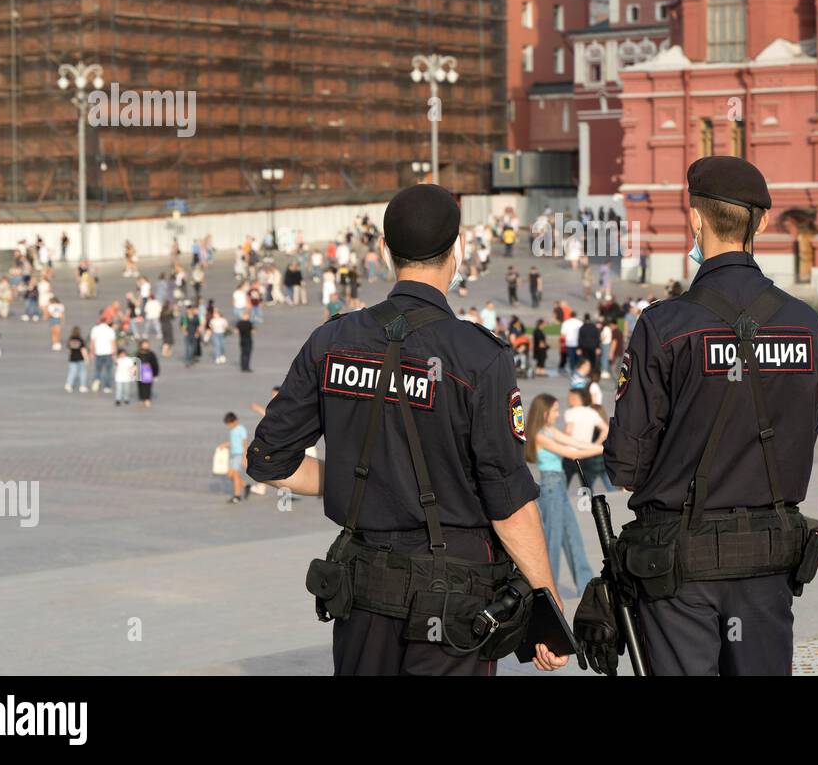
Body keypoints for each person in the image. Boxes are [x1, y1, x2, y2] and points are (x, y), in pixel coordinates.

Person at [247, 183, 570, 676]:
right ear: (459, 250)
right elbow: (507, 500)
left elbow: (269, 460)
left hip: (363, 591)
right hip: (454, 601)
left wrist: (351, 483)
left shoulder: (331, 339)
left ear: (383, 251)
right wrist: (546, 603)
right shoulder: (478, 355)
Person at [586, 156, 818, 677]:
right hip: (767, 557)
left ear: (694, 219)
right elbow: (804, 429)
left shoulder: (664, 325)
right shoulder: (807, 325)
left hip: (679, 566)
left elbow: (625, 465)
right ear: (761, 223)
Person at [526, 393, 603, 597]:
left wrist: (600, 446)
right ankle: (547, 589)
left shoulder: (550, 430)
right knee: (553, 539)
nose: (558, 414)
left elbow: (574, 443)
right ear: (544, 413)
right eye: (555, 411)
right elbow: (571, 453)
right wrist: (602, 448)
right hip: (550, 489)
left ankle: (586, 585)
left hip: (559, 487)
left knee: (572, 536)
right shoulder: (540, 435)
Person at [219, 412, 250, 503]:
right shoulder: (232, 430)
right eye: (228, 425)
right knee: (230, 474)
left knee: (235, 474)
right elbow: (233, 442)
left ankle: (237, 496)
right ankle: (245, 485)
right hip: (233, 454)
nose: (229, 426)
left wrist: (245, 455)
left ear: (235, 421)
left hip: (239, 454)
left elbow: (244, 443)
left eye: (230, 424)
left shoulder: (241, 429)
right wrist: (225, 444)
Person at [89, 317, 116, 392]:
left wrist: (91, 352)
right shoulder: (110, 330)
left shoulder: (95, 329)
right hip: (108, 352)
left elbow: (92, 342)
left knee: (98, 369)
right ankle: (107, 387)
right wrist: (114, 354)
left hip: (98, 352)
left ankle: (97, 381)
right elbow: (113, 343)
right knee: (108, 370)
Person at [136, 339, 159, 408]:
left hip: (148, 372)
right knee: (140, 386)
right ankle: (142, 398)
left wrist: (155, 374)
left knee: (148, 386)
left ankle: (147, 399)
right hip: (139, 373)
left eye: (147, 344)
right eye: (144, 344)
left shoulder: (151, 354)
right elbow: (135, 363)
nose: (146, 345)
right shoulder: (138, 354)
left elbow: (155, 364)